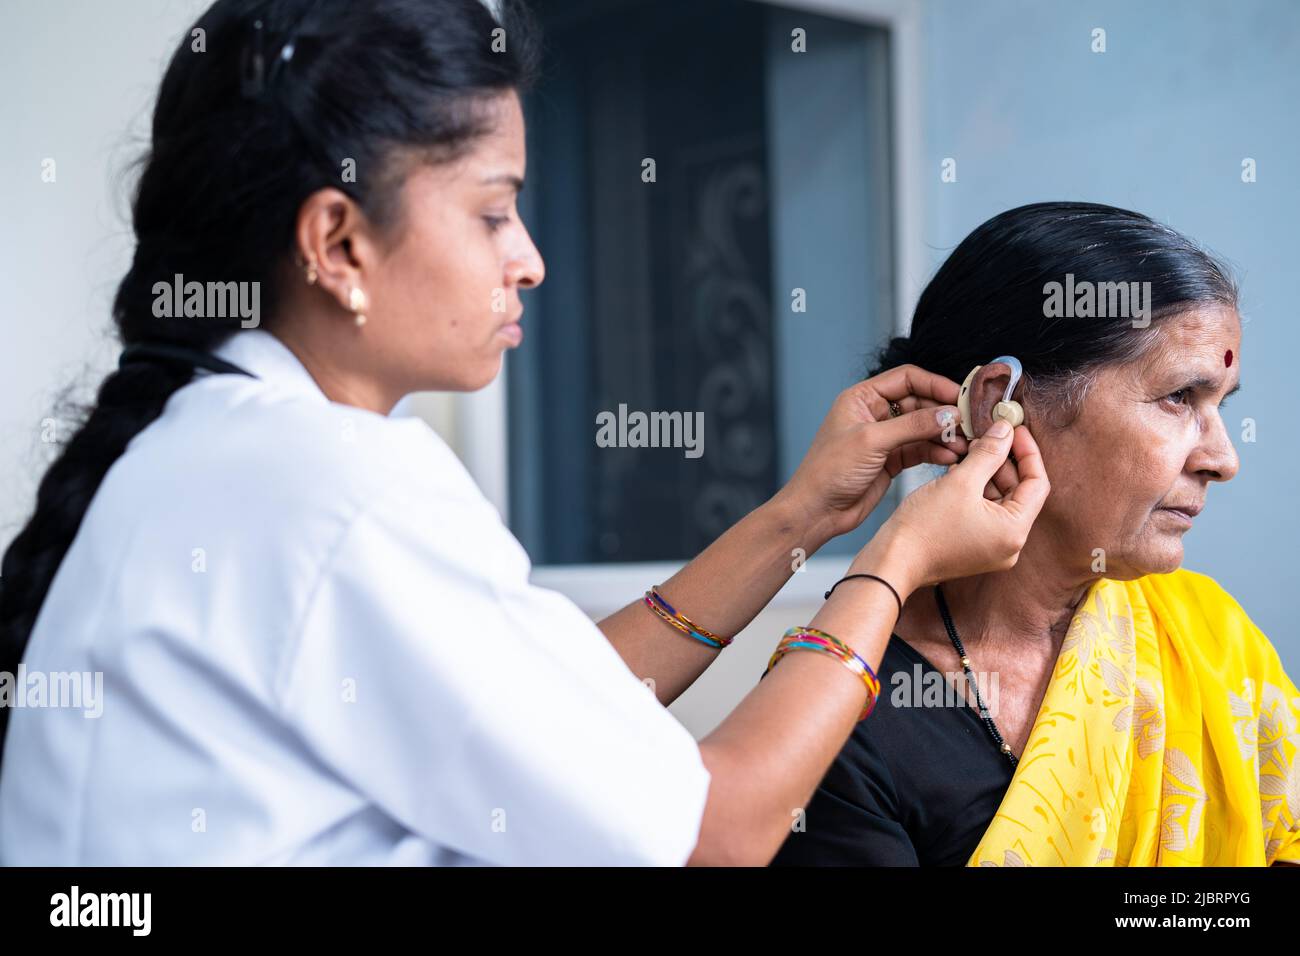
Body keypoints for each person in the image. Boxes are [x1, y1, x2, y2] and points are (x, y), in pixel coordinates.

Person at [0, 0, 1048, 866]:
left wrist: (802, 514)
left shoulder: (231, 444)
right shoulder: (333, 485)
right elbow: (719, 829)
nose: (530, 259)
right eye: (494, 211)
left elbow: (559, 705)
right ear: (338, 240)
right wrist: (897, 558)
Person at [772, 202, 1300, 867]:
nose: (1223, 458)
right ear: (1000, 405)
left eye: (1221, 405)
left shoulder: (1211, 639)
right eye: (1179, 398)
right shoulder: (836, 716)